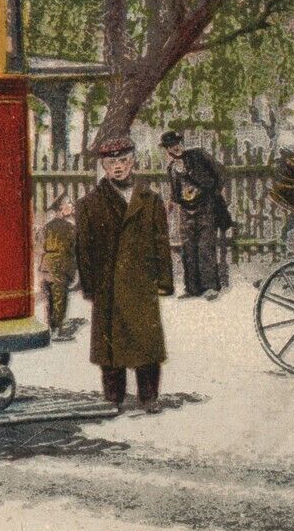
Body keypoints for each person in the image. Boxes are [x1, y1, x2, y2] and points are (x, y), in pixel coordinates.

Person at [75, 136, 174, 413]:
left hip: (141, 283)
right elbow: (83, 250)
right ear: (103, 166)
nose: (118, 167)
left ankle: (149, 397)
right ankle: (113, 397)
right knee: (110, 347)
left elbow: (161, 243)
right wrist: (90, 286)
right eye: (111, 162)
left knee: (146, 345)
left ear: (132, 162)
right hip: (108, 284)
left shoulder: (150, 201)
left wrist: (164, 281)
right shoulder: (89, 204)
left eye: (123, 161)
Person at [160, 130, 230, 300]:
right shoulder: (171, 168)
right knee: (188, 249)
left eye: (176, 144)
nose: (174, 148)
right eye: (170, 146)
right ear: (166, 150)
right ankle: (192, 289)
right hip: (186, 212)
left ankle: (211, 287)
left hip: (206, 208)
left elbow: (219, 174)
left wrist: (212, 194)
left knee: (205, 247)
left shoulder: (199, 156)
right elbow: (175, 196)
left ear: (181, 143)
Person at [40, 194, 76, 339]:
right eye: (69, 204)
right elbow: (74, 248)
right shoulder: (70, 227)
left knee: (50, 300)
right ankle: (57, 332)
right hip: (60, 266)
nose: (72, 206)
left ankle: (51, 328)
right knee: (60, 299)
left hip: (46, 266)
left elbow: (41, 246)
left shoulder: (47, 227)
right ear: (61, 208)